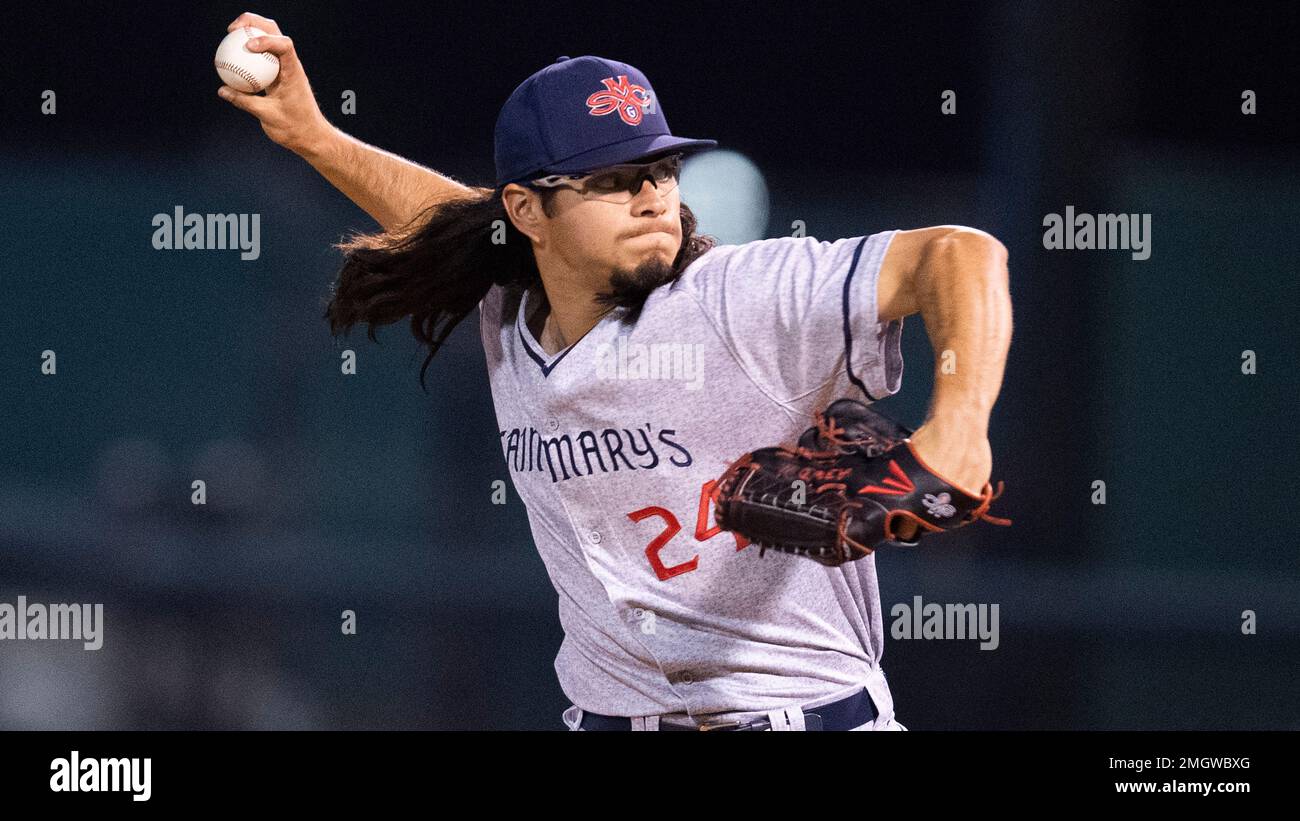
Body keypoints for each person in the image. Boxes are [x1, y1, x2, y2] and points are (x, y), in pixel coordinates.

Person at [218, 12, 1013, 731]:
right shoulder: (508, 307)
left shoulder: (735, 298)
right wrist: (314, 136)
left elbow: (958, 253)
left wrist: (960, 424)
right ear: (528, 212)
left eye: (660, 170)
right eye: (611, 180)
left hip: (805, 713)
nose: (651, 198)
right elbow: (445, 219)